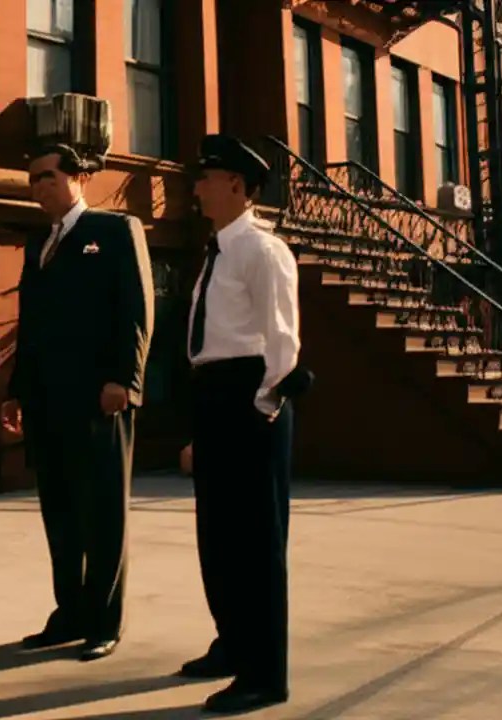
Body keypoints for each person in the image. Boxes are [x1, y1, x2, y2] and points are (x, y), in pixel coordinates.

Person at [1, 143, 154, 662]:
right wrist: (17, 390)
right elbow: (32, 325)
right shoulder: (38, 241)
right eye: (33, 180)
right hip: (47, 402)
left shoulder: (114, 231)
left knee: (103, 512)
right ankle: (69, 612)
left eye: (48, 177)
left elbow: (135, 310)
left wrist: (124, 380)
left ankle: (104, 621)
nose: (39, 187)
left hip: (99, 398)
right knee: (60, 512)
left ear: (79, 178)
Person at [178, 134, 300, 714]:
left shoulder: (261, 250)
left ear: (235, 186)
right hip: (215, 398)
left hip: (250, 399)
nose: (196, 187)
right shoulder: (216, 252)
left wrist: (262, 409)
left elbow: (282, 341)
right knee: (218, 540)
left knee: (255, 546)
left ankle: (265, 674)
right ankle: (233, 644)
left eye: (206, 177)